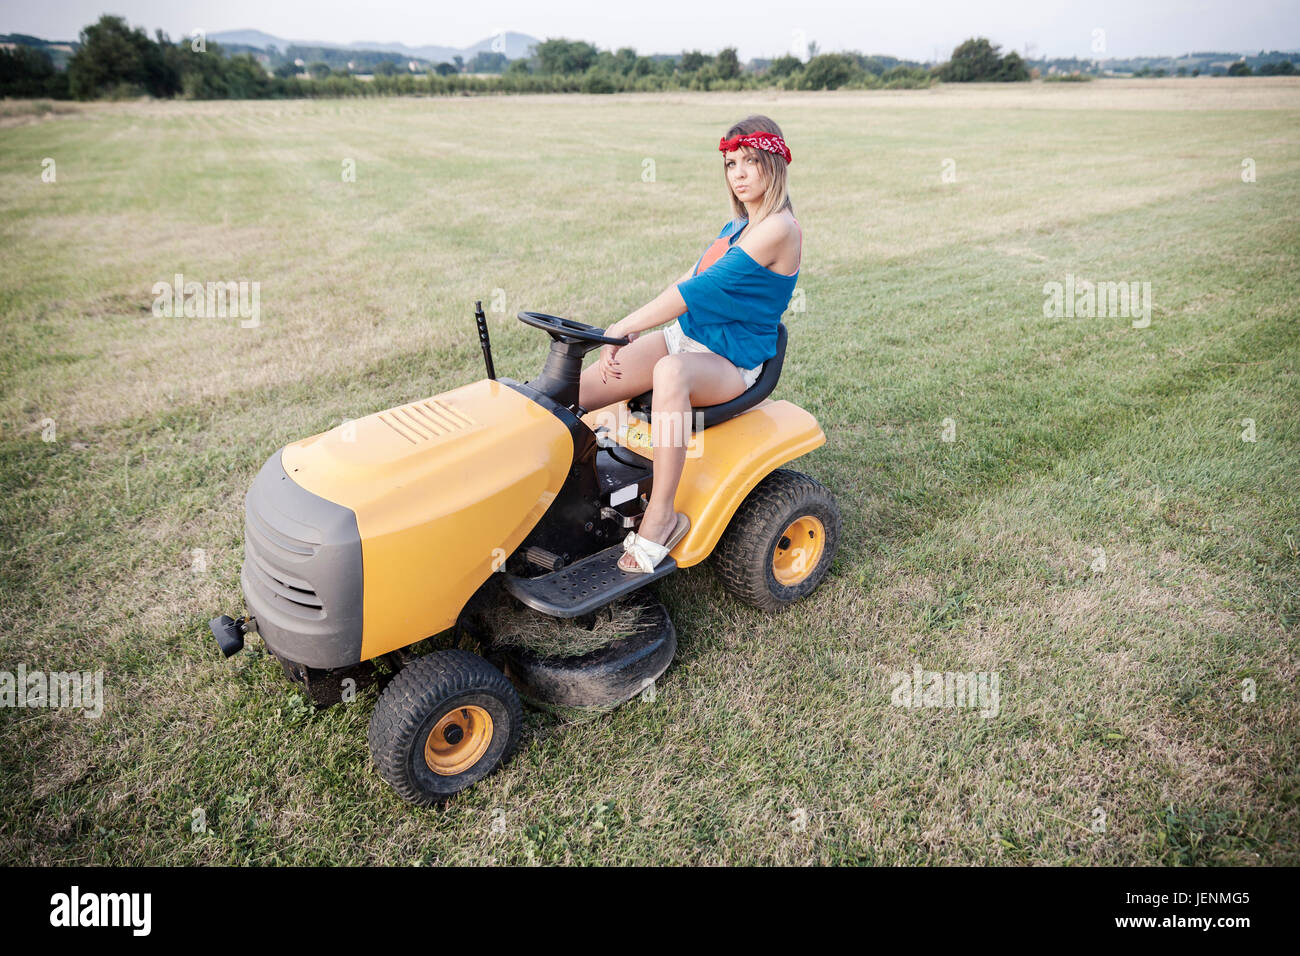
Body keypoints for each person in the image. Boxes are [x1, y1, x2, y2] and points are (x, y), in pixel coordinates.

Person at [576, 114, 803, 573]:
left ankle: (662, 517)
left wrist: (624, 326)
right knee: (576, 392)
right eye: (730, 163)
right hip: (685, 338)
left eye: (749, 162)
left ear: (774, 166)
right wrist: (630, 330)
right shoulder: (734, 227)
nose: (737, 173)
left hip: (729, 360)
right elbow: (689, 278)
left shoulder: (780, 229)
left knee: (670, 373)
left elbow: (697, 293)